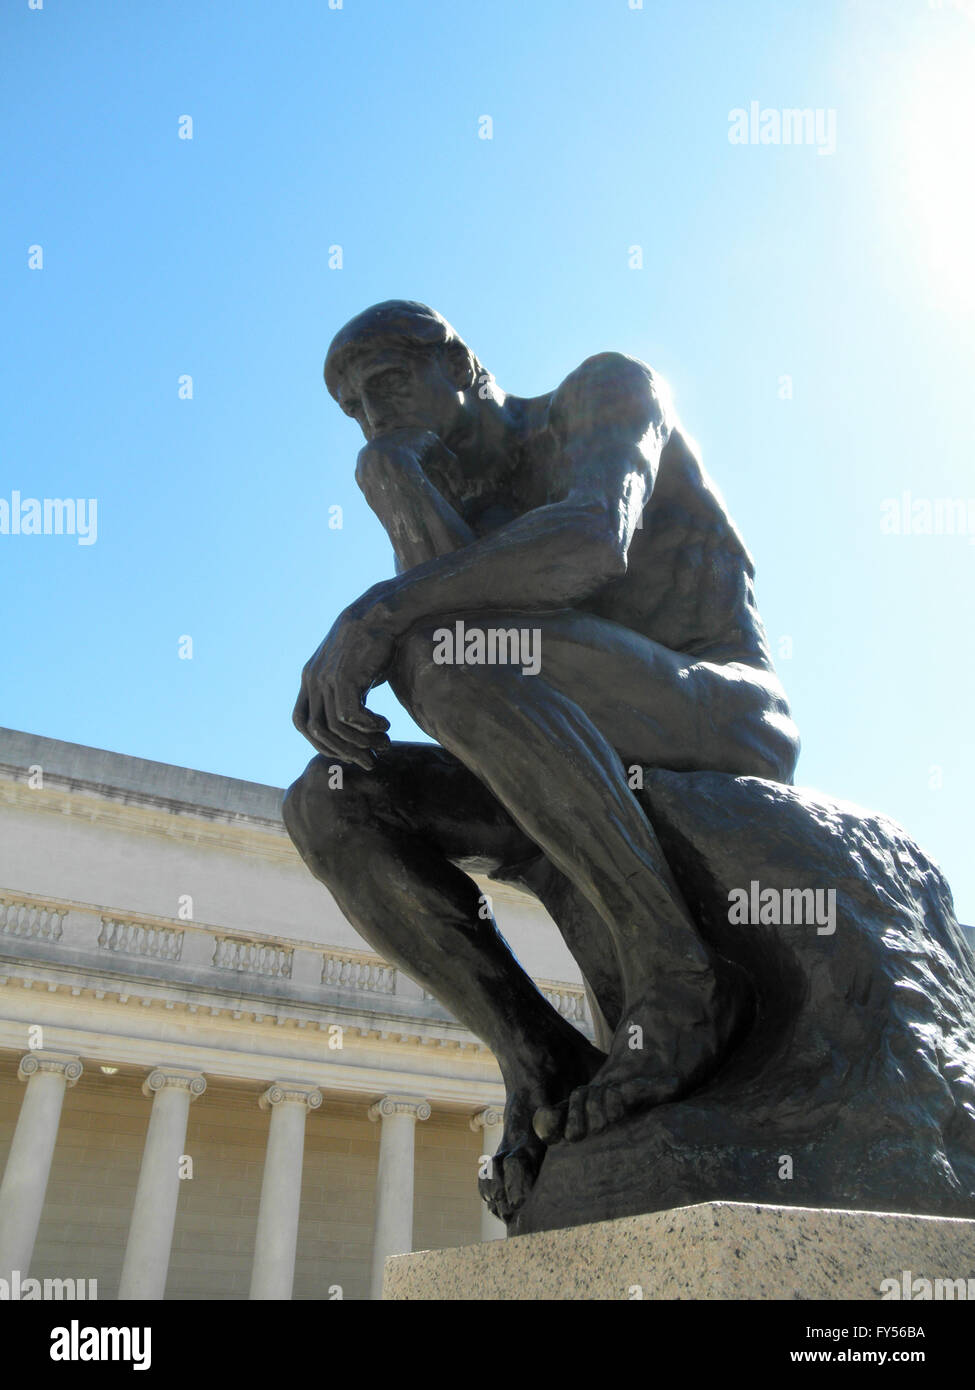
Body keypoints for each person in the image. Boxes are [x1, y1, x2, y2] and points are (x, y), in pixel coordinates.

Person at [285, 301, 800, 1218]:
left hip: (716, 709)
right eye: (354, 410)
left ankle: (681, 980)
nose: (373, 415)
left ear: (459, 365)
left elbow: (589, 541)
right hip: (551, 734)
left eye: (388, 385)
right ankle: (538, 1060)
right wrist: (391, 477)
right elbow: (447, 630)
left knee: (446, 649)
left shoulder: (603, 392)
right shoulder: (448, 493)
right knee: (328, 800)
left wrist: (376, 611)